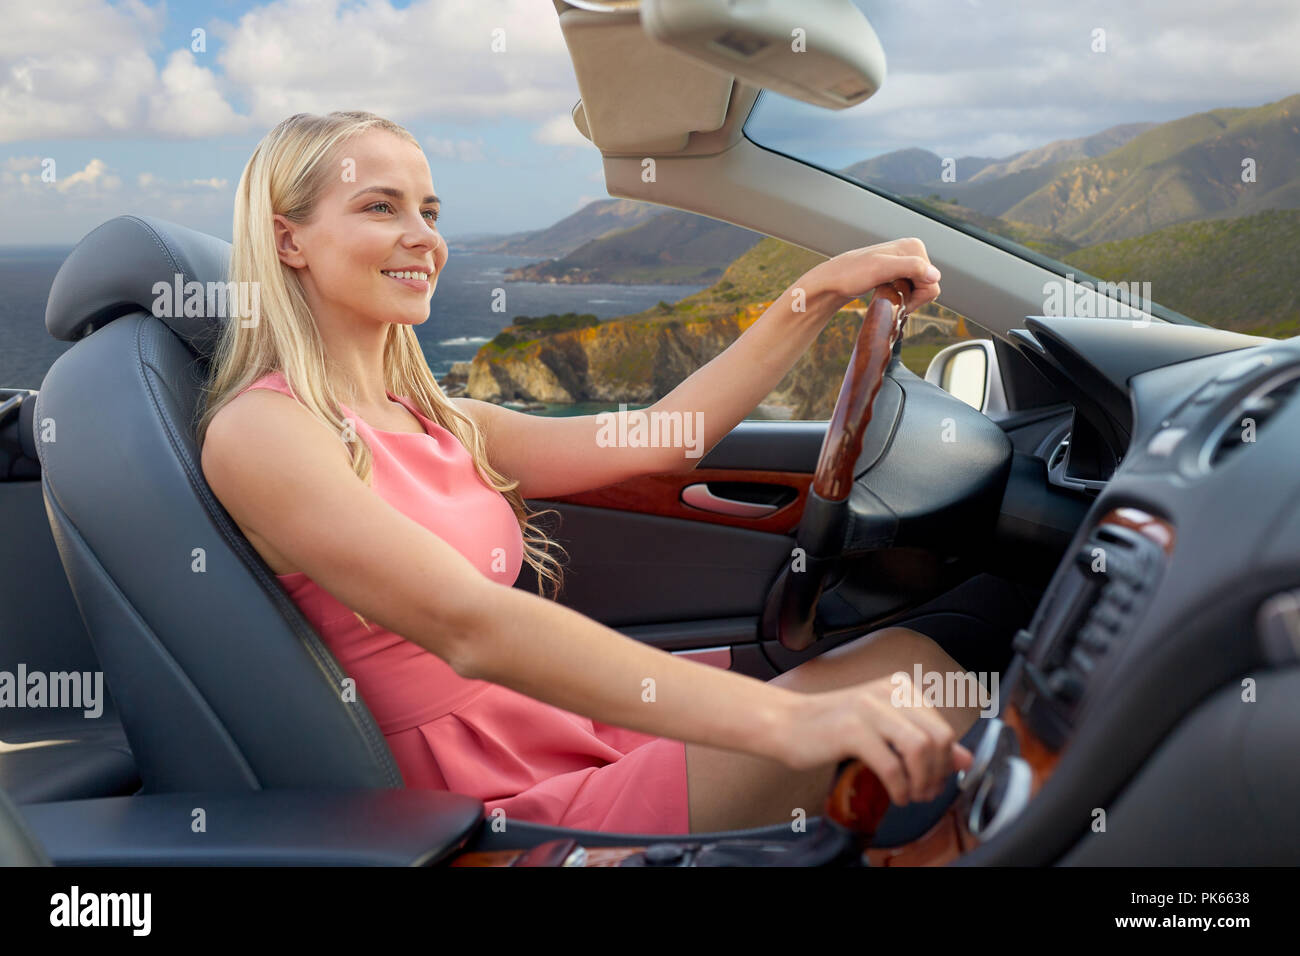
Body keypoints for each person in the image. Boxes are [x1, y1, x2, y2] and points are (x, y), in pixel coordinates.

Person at [199, 110, 976, 837]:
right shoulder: (265, 431)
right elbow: (470, 626)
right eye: (380, 207)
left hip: (555, 726)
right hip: (485, 807)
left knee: (920, 670)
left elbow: (661, 437)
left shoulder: (446, 420)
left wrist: (819, 293)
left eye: (429, 213)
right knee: (875, 718)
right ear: (289, 241)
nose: (423, 239)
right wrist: (786, 721)